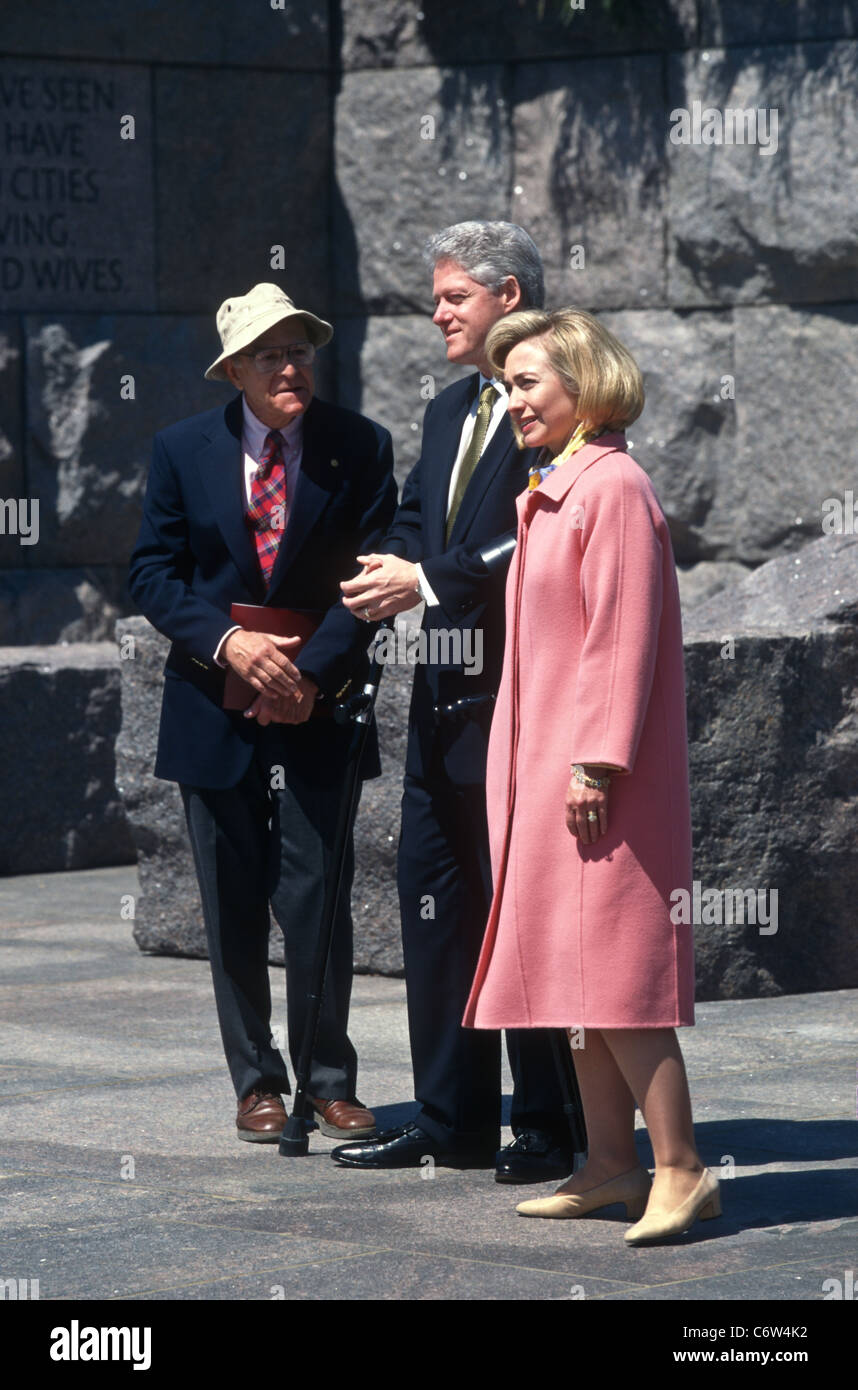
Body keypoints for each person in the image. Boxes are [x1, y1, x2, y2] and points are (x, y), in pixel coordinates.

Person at [463, 307, 720, 1243]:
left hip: (592, 775)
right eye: (507, 384)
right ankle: (612, 1164)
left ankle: (682, 1169)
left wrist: (596, 762)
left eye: (528, 381)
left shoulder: (613, 488)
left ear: (585, 382)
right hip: (550, 772)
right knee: (574, 979)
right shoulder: (562, 485)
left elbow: (622, 635)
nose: (513, 398)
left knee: (619, 976)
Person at [333, 223, 576, 1180]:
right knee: (437, 911)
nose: (436, 314)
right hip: (439, 701)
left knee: (526, 917)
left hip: (520, 703)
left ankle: (552, 1123)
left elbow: (534, 539)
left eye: (452, 298)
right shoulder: (447, 410)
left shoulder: (560, 399)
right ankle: (452, 1117)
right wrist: (373, 583)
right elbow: (414, 513)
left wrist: (426, 580)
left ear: (506, 294)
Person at [128, 283, 397, 1143]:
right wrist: (228, 646)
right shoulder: (180, 449)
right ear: (236, 369)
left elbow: (373, 580)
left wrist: (308, 674)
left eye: (301, 351)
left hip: (321, 703)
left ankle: (328, 1078)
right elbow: (152, 574)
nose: (292, 367)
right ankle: (256, 1083)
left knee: (320, 896)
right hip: (214, 705)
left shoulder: (360, 446)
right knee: (232, 901)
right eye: (272, 355)